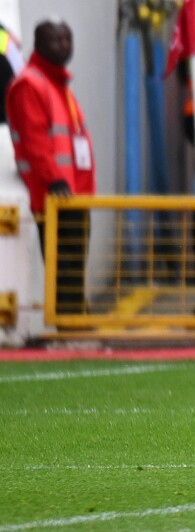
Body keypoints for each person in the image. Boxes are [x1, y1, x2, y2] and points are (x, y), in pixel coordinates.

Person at [6, 20, 94, 319]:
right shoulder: (31, 84)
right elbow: (35, 141)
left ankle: (74, 315)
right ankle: (69, 321)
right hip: (55, 193)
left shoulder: (56, 84)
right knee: (65, 262)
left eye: (67, 39)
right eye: (56, 40)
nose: (64, 46)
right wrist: (54, 179)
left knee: (73, 260)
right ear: (38, 43)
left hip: (73, 192)